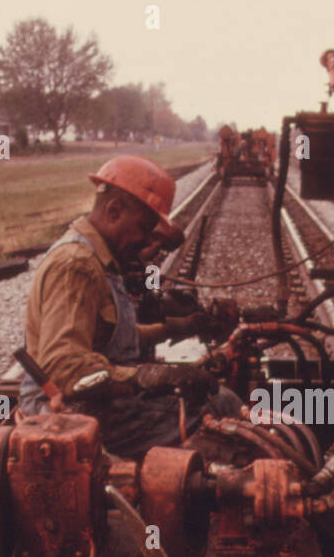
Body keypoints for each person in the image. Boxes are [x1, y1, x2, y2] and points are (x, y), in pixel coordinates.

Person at [19, 155, 242, 459]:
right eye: (143, 227)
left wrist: (180, 327)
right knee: (220, 408)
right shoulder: (77, 265)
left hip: (96, 402)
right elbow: (64, 368)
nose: (145, 240)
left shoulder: (100, 259)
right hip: (67, 413)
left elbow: (117, 335)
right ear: (114, 211)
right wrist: (145, 378)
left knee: (215, 401)